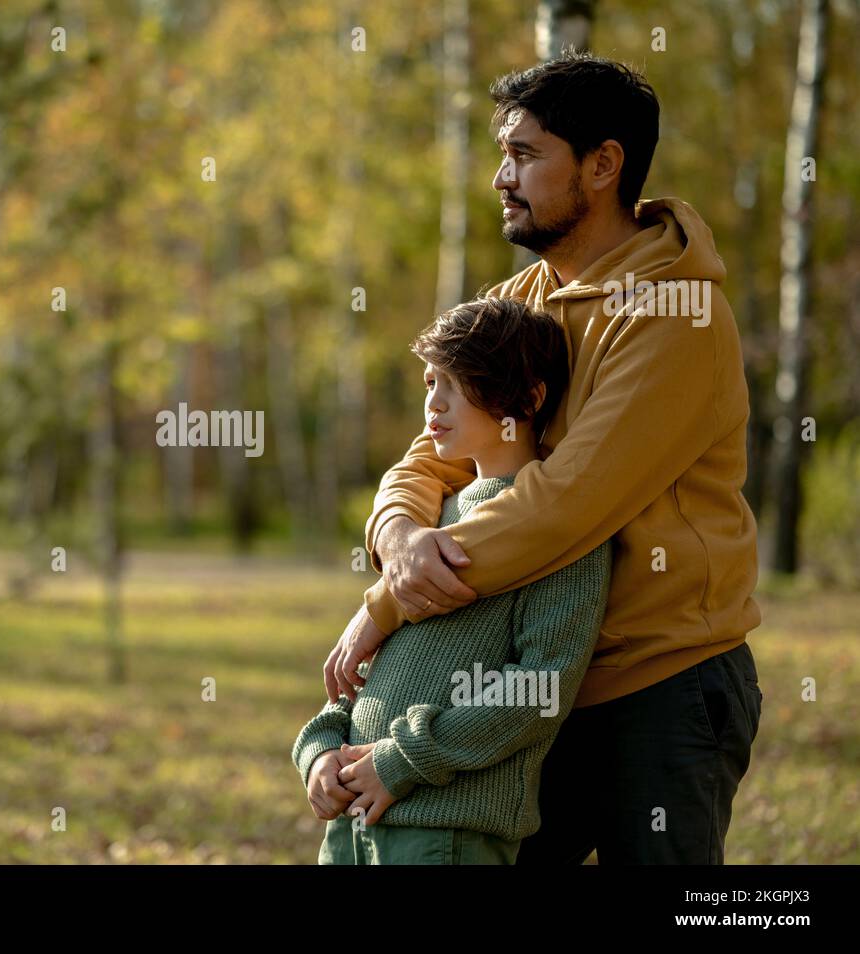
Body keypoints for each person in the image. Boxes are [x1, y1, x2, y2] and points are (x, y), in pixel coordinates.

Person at [324, 53, 762, 865]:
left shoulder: (679, 315)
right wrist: (399, 537)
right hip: (523, 686)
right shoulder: (516, 302)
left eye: (524, 155)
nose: (501, 176)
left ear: (603, 165)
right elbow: (430, 457)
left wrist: (390, 603)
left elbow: (567, 502)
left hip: (658, 686)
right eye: (502, 154)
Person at [294, 297, 612, 865]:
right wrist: (320, 750)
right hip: (351, 832)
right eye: (429, 382)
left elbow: (540, 687)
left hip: (446, 838)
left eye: (457, 384)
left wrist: (401, 761)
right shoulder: (432, 517)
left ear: (530, 398)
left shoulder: (562, 531)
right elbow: (367, 677)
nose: (432, 406)